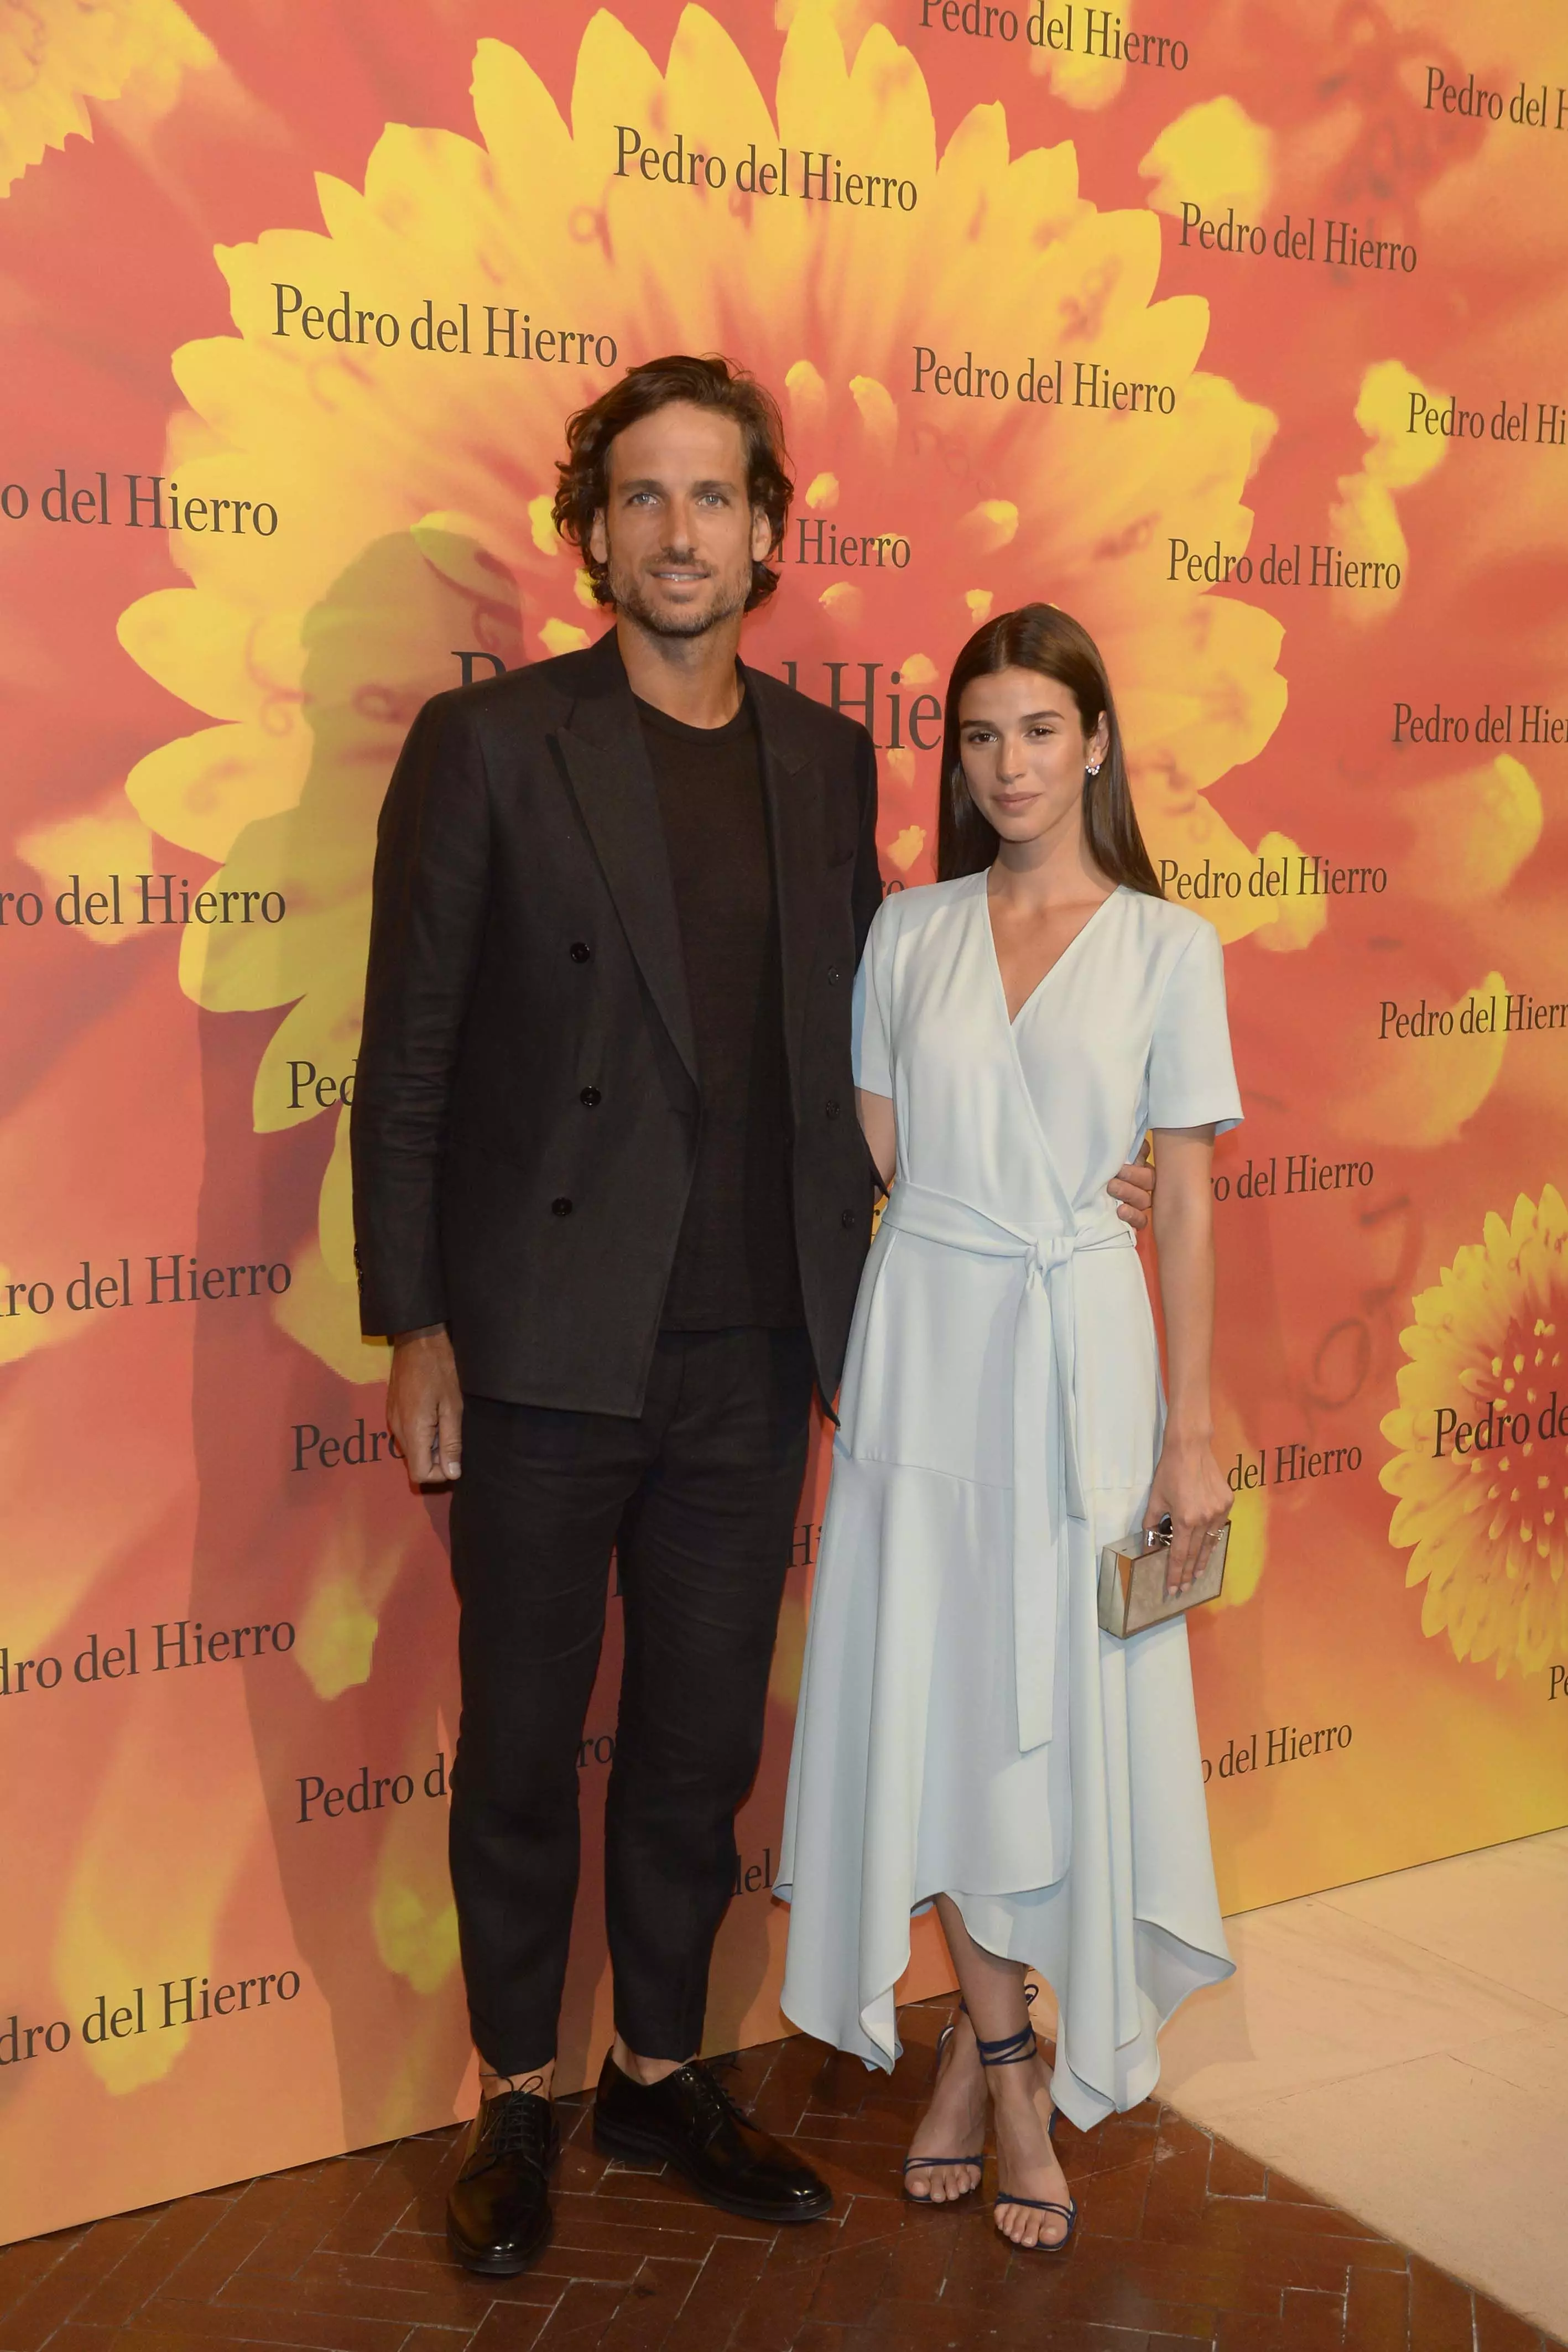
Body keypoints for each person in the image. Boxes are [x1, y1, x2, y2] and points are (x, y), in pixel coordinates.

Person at [351, 357, 1157, 2276]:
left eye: (714, 499)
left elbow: (870, 1058)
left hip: (757, 1352)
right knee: (528, 1739)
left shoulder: (822, 762)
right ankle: (520, 2099)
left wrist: (1074, 1168)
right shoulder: (489, 748)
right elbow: (409, 1061)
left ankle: (655, 2068)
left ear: (769, 533)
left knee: (702, 1746)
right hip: (542, 1342)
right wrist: (417, 1327)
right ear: (594, 533)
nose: (680, 533)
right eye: (644, 499)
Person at [778, 602, 1238, 2254]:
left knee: (1060, 1729)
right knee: (947, 1704)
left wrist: (1191, 1430)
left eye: (1041, 728)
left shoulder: (1171, 947)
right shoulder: (907, 933)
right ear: (955, 757)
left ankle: (986, 2070)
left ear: (1097, 741)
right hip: (932, 1352)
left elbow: (1179, 1195)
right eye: (980, 735)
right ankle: (1010, 2067)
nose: (1011, 763)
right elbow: (881, 1151)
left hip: (1087, 1366)